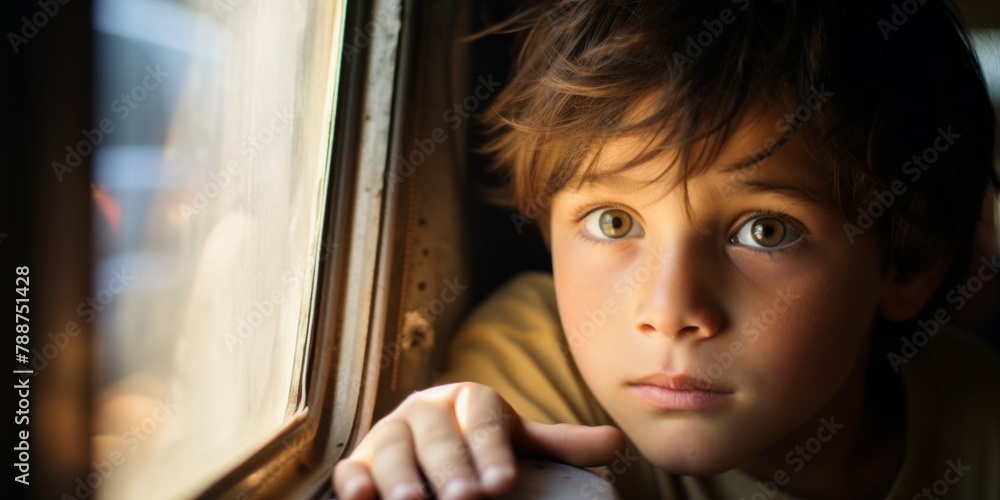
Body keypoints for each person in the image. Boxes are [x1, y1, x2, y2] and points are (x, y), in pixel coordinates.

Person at [334, 0, 1000, 498]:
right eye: (614, 222)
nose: (670, 309)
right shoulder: (533, 366)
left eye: (764, 231)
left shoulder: (982, 427)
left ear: (907, 261)